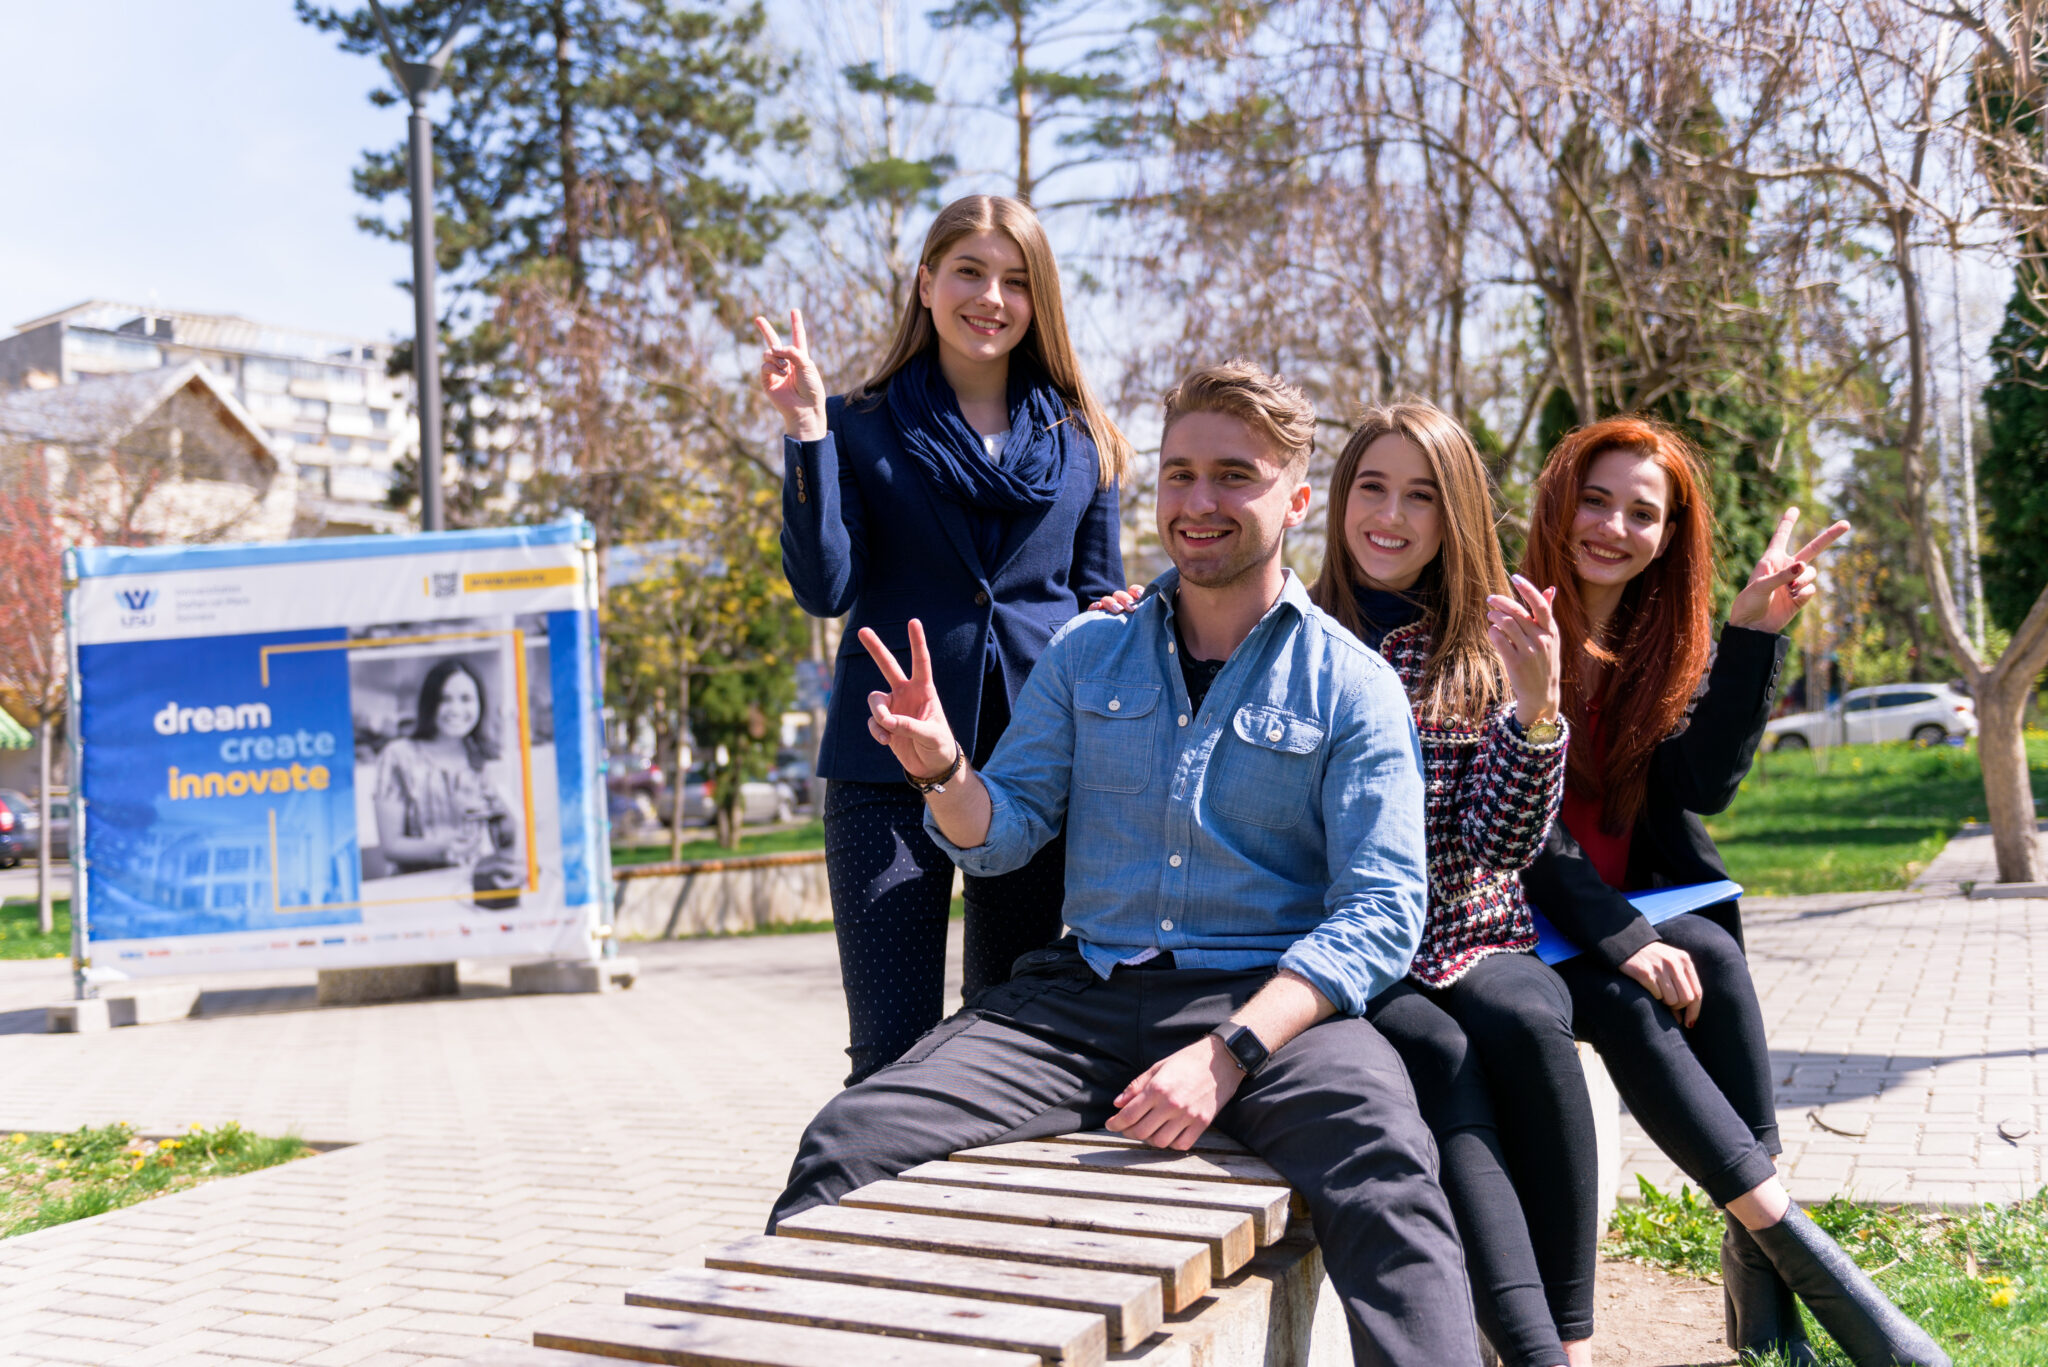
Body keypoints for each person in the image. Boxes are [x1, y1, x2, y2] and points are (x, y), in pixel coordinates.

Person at [769, 362, 1482, 1366]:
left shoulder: (1350, 684)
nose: (1197, 502)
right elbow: (1005, 826)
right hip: (1080, 999)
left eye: (1233, 475)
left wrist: (1226, 1052)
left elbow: (1377, 914)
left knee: (1385, 1166)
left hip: (1269, 1008)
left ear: (1295, 497)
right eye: (1178, 472)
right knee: (848, 1139)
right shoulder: (1082, 655)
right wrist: (939, 766)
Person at [1095, 402, 1587, 1367]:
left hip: (1464, 926)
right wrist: (1137, 609)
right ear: (1331, 499)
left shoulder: (1484, 647)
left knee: (1529, 1024)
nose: (1391, 517)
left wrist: (1537, 712)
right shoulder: (1285, 627)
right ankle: (1522, 1347)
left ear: (1455, 519)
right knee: (1436, 1054)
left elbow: (1502, 842)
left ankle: (1564, 1338)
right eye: (1373, 488)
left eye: (1421, 496)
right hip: (1346, 946)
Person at [1518, 416, 1947, 1367]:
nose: (1612, 526)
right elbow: (1523, 828)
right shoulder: (1507, 618)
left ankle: (1758, 1267)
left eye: (1643, 512)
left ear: (1668, 538)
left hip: (1633, 910)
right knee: (1642, 989)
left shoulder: (1656, 642)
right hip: (1520, 921)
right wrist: (1621, 933)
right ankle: (1798, 1266)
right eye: (1596, 499)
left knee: (1710, 947)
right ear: (1559, 500)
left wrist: (1750, 633)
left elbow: (1699, 787)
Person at [756, 193, 1129, 1085]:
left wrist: (1121, 619)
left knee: (1006, 1042)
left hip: (1030, 774)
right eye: (968, 271)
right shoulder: (858, 424)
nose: (990, 296)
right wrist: (808, 432)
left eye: (1015, 279)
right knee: (890, 1049)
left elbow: (1093, 600)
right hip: (886, 767)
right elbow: (825, 587)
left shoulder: (1086, 442)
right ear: (926, 282)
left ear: (1039, 302)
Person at [371, 659, 519, 876]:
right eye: (444, 699)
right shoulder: (397, 756)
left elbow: (505, 841)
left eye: (466, 699)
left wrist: (511, 817)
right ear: (429, 704)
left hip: (476, 879)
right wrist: (443, 846)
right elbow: (391, 846)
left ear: (480, 704)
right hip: (414, 885)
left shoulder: (488, 757)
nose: (456, 709)